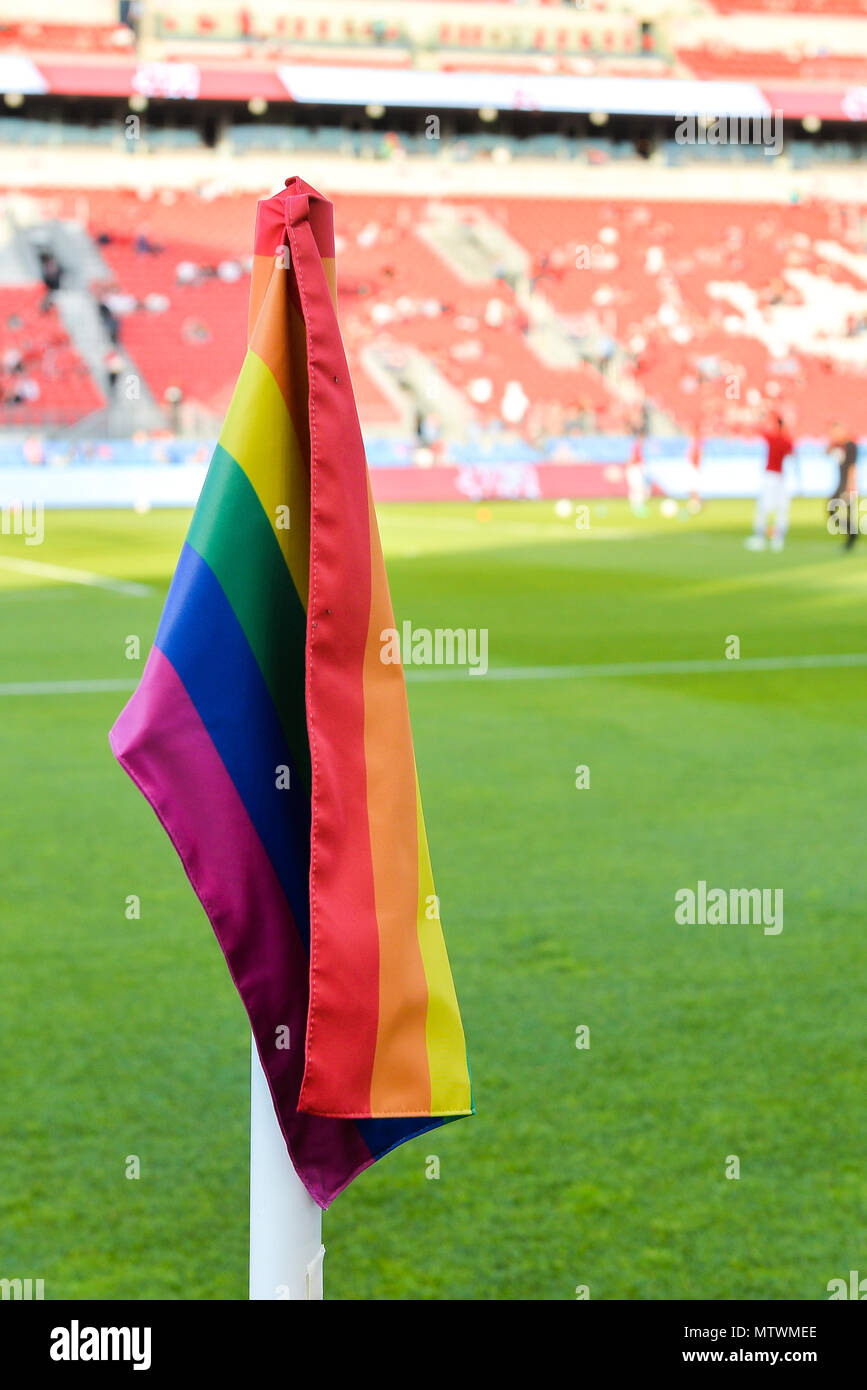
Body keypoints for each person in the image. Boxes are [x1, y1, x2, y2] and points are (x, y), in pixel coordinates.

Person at [744, 413, 794, 552]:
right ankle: (778, 539)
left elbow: (759, 430)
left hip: (771, 476)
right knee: (781, 508)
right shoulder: (787, 440)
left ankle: (760, 537)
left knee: (764, 507)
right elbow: (792, 455)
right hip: (781, 477)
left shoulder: (773, 438)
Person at [827, 421, 859, 550]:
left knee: (847, 510)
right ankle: (852, 534)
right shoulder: (838, 446)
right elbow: (827, 452)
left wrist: (851, 485)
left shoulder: (851, 445)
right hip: (841, 482)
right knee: (832, 509)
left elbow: (852, 466)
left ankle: (851, 538)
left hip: (847, 483)